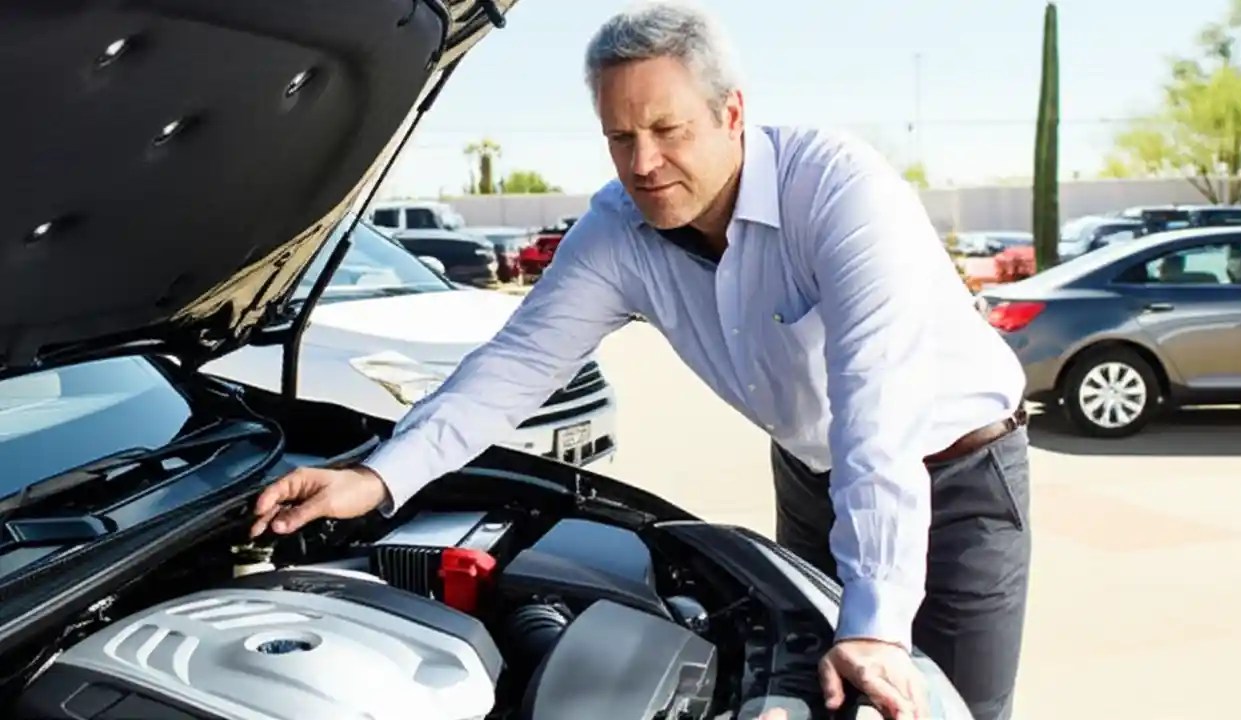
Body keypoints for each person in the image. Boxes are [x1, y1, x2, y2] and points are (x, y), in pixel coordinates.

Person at [250, 2, 1032, 719]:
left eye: (667, 130)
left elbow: (877, 411)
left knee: (941, 704)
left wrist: (876, 623)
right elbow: (516, 365)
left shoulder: (835, 191)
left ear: (731, 113)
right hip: (811, 478)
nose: (643, 163)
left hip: (958, 475)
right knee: (805, 698)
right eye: (620, 138)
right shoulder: (617, 229)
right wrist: (378, 477)